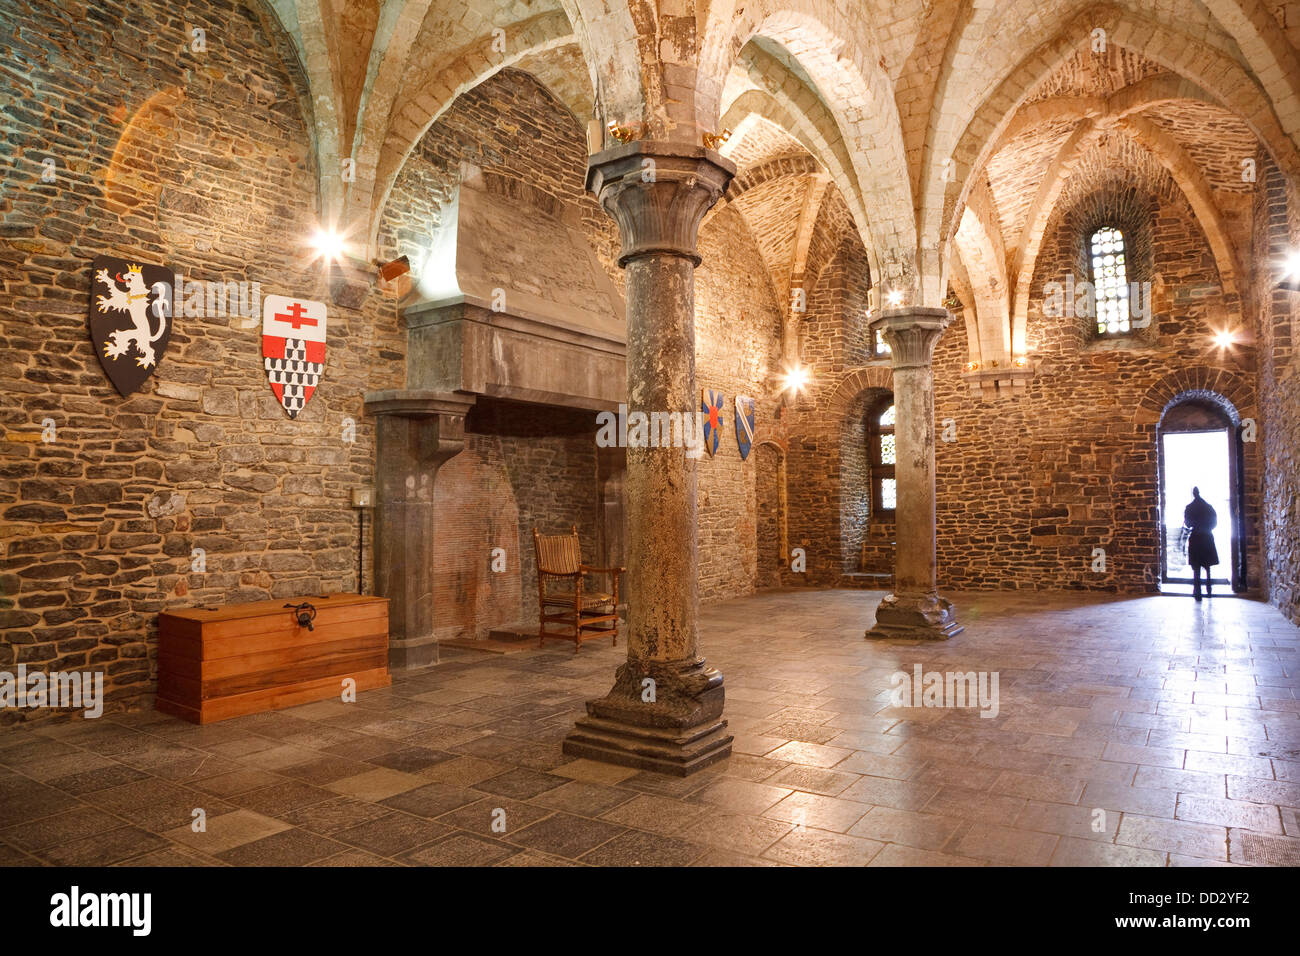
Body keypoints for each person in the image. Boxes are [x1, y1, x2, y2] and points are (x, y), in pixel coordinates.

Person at [1183, 487, 1219, 601]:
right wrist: (1206, 528)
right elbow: (1214, 523)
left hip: (1196, 538)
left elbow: (1188, 524)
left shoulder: (1189, 508)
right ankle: (1209, 590)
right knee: (1207, 566)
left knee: (1196, 566)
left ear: (1193, 494)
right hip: (1207, 536)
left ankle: (1197, 591)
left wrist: (1196, 526)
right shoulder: (1209, 507)